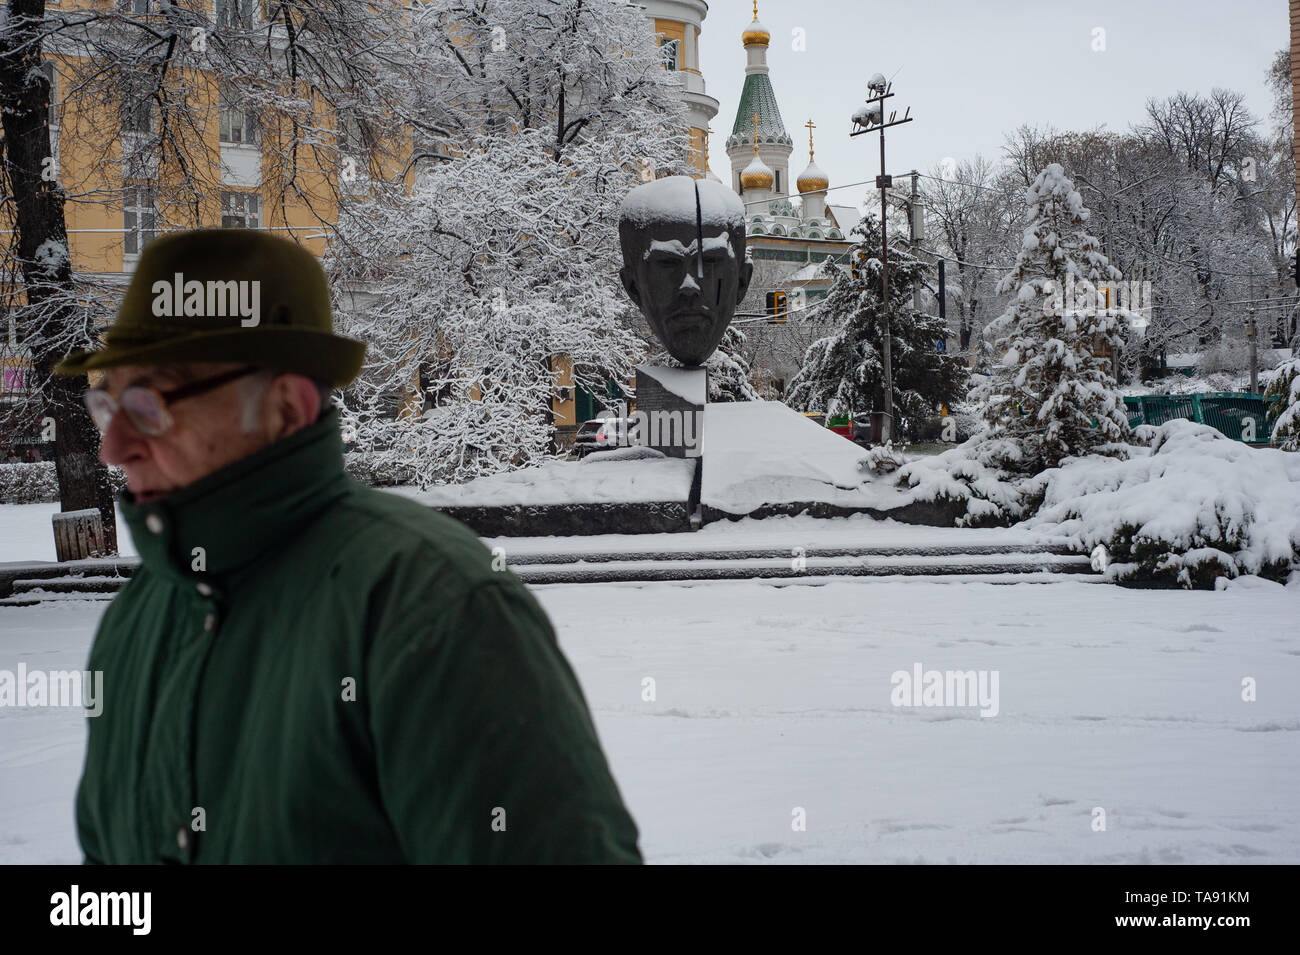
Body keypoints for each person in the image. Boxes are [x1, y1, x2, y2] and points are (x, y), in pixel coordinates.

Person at [55, 229, 641, 864]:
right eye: (107, 405)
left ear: (284, 407)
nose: (115, 447)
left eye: (146, 405)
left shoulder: (432, 610)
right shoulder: (133, 623)